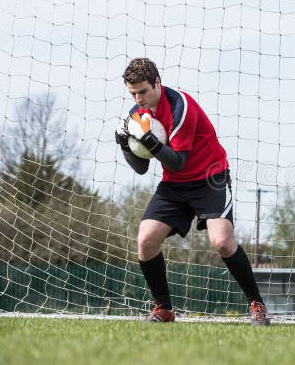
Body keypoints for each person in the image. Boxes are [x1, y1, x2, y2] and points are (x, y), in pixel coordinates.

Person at [114, 57, 269, 325]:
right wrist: (125, 145)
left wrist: (149, 142)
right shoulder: (137, 117)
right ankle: (163, 309)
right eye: (133, 93)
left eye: (143, 91)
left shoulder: (180, 107)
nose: (138, 99)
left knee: (221, 242)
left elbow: (178, 160)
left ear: (158, 83)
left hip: (210, 178)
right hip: (175, 184)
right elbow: (141, 168)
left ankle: (257, 304)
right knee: (145, 241)